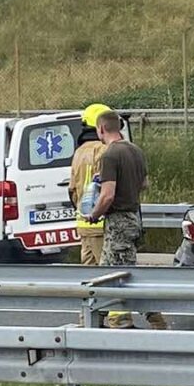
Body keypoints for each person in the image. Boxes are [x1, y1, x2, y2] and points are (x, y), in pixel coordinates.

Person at [86, 110, 167, 330]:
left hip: (118, 221)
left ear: (101, 129)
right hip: (133, 217)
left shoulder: (110, 155)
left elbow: (108, 194)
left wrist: (94, 214)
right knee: (104, 274)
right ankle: (92, 322)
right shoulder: (136, 151)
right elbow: (144, 184)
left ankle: (142, 320)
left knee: (124, 277)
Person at [69, 103, 111, 266]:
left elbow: (72, 189)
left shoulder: (79, 152)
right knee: (106, 272)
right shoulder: (105, 150)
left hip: (83, 223)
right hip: (101, 223)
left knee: (89, 274)